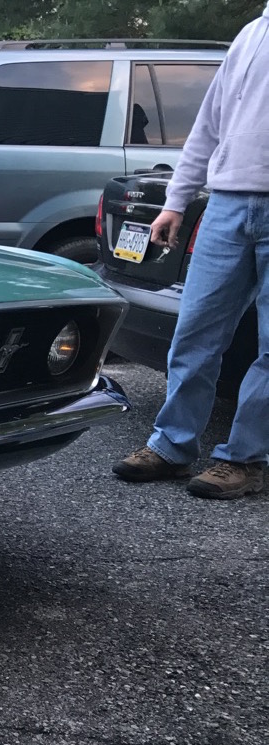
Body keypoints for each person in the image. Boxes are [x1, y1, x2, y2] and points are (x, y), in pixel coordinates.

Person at [112, 4, 269, 499]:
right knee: (195, 331)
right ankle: (172, 446)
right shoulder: (252, 32)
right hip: (226, 205)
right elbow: (209, 122)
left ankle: (244, 459)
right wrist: (176, 201)